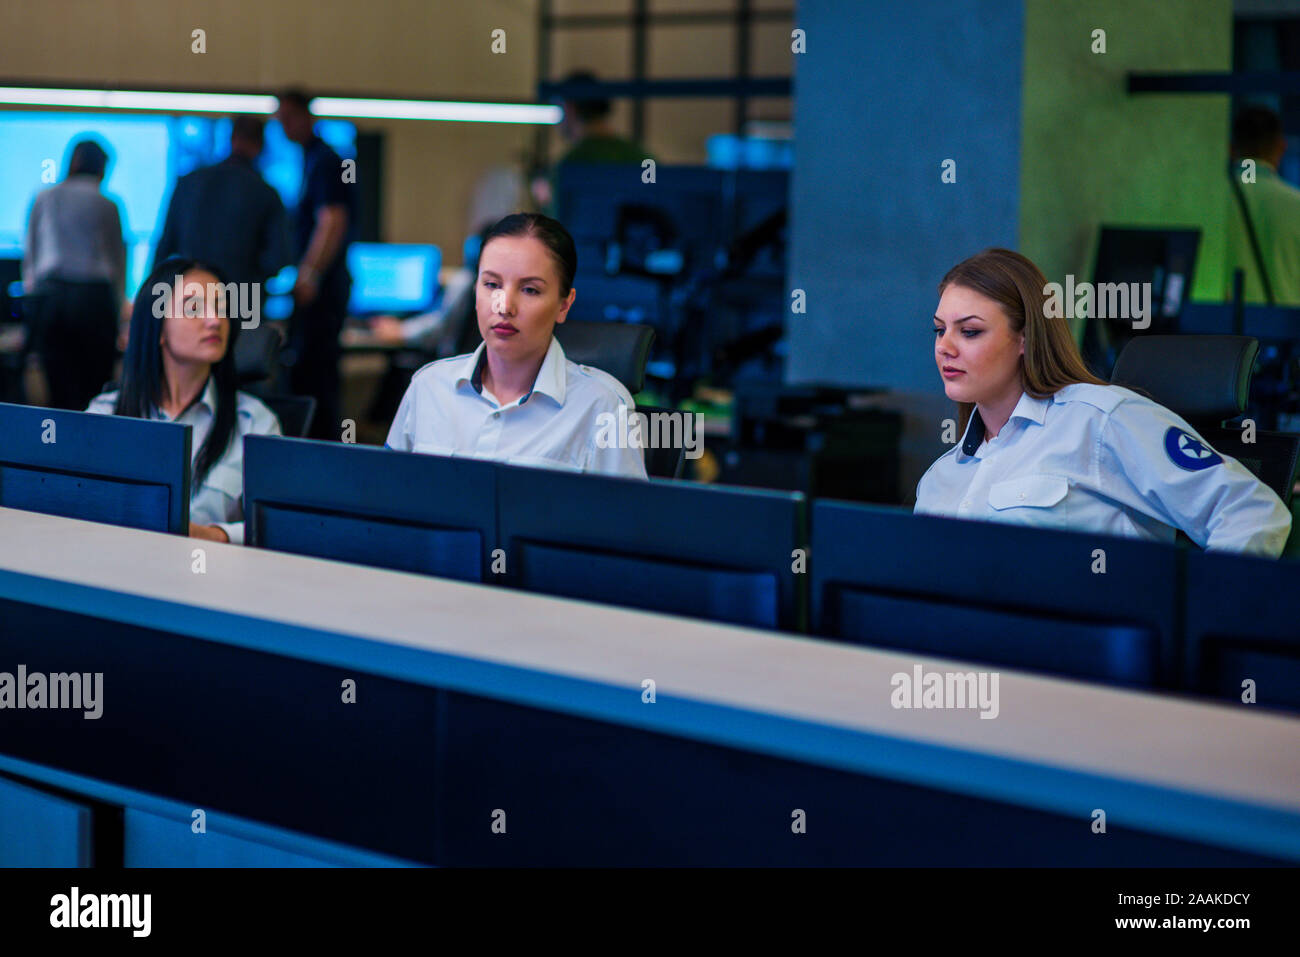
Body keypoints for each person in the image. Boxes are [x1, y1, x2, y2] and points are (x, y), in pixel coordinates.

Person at [915, 248, 1290, 557]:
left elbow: (1251, 512)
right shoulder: (940, 478)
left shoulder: (1101, 420)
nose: (944, 347)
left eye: (969, 331)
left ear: (1025, 339)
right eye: (939, 329)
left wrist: (1190, 623)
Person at [385, 213, 647, 479]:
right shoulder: (428, 387)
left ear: (564, 304)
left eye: (530, 290)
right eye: (491, 285)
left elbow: (628, 519)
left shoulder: (602, 407)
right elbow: (387, 500)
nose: (504, 306)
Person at [86, 257, 281, 544]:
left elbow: (280, 524)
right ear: (157, 327)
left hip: (211, 578)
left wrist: (216, 535)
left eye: (222, 308)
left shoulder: (253, 422)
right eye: (194, 308)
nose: (215, 320)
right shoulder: (104, 416)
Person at [275, 89, 356, 440]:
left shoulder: (326, 159)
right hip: (321, 287)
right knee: (309, 376)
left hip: (324, 289)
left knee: (316, 380)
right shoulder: (311, 159)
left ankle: (321, 462)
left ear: (306, 116)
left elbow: (332, 220)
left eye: (287, 117)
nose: (282, 126)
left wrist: (310, 274)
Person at [22, 138, 127, 410]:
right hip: (95, 300)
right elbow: (117, 261)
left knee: (57, 388)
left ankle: (56, 445)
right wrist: (118, 311)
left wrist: (32, 304)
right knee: (94, 389)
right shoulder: (108, 204)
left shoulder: (45, 196)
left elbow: (31, 253)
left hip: (52, 297)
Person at [153, 114, 289, 295]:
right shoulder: (266, 193)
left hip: (192, 291)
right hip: (244, 296)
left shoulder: (189, 182)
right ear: (260, 145)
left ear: (231, 139)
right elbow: (278, 257)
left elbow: (165, 245)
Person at [532, 70, 654, 213]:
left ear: (569, 108)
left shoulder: (572, 163)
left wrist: (545, 198)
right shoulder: (641, 157)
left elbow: (559, 224)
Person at [1224, 105, 1300, 306]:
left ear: (1231, 149)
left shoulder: (1211, 201)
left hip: (1222, 327)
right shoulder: (1295, 203)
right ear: (1281, 147)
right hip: (1285, 331)